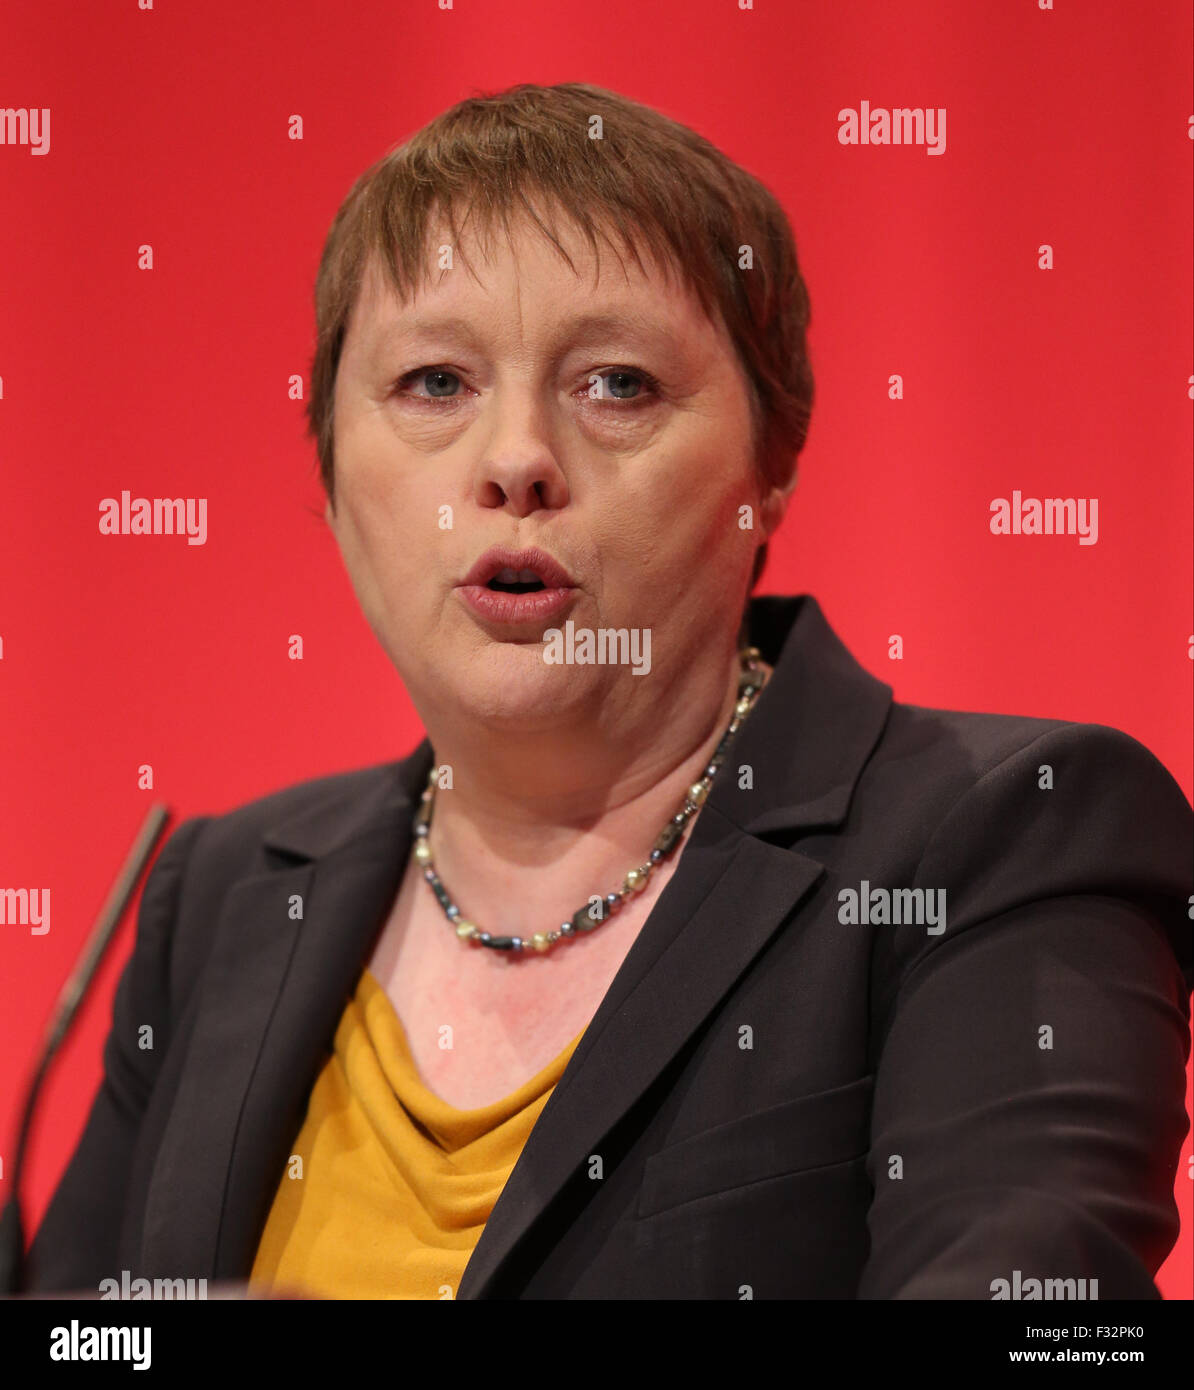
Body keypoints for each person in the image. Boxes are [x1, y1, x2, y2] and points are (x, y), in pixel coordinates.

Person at [27, 82, 1192, 1300]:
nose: (518, 459)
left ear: (770, 468)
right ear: (324, 471)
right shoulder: (223, 894)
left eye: (618, 385)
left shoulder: (1001, 840)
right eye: (435, 383)